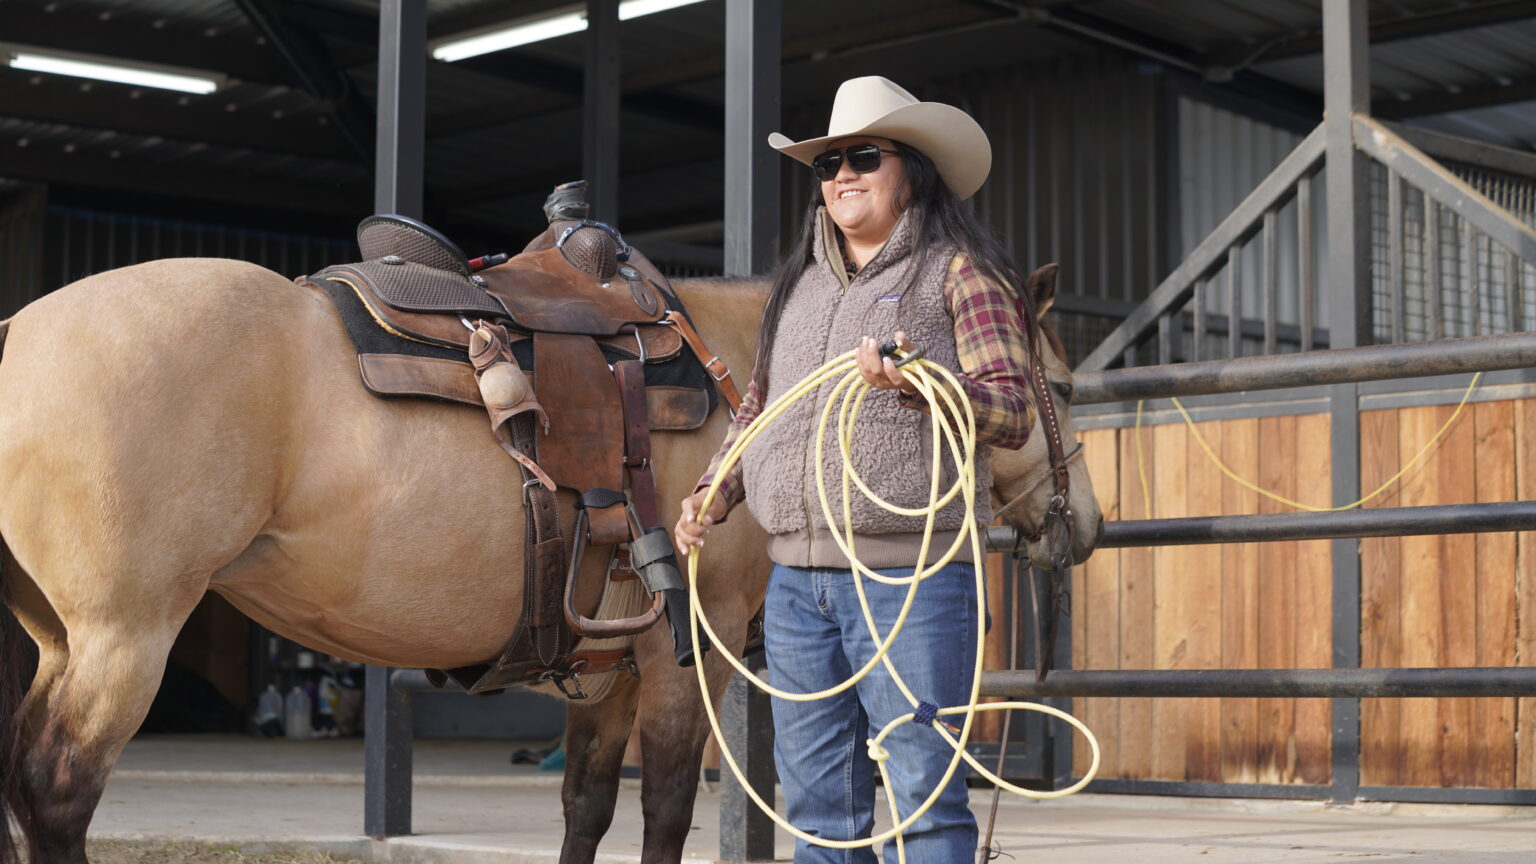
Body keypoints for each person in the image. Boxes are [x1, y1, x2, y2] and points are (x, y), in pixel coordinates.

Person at [673, 76, 1036, 864]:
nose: (842, 174)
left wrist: (920, 382)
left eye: (864, 156)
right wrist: (711, 494)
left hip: (910, 580)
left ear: (913, 171)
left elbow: (1012, 412)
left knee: (924, 801)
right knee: (817, 808)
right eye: (828, 162)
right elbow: (761, 414)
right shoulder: (796, 290)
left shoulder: (959, 274)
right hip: (799, 588)